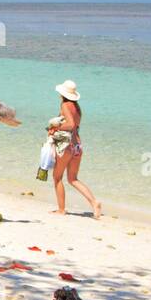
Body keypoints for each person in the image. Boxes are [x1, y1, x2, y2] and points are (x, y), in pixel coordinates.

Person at [47, 79, 102, 218]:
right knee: (73, 179)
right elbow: (75, 125)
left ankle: (61, 209)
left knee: (57, 177)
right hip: (77, 145)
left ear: (62, 94)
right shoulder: (77, 107)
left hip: (67, 145)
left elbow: (70, 125)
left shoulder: (65, 105)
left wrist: (54, 128)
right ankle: (94, 202)